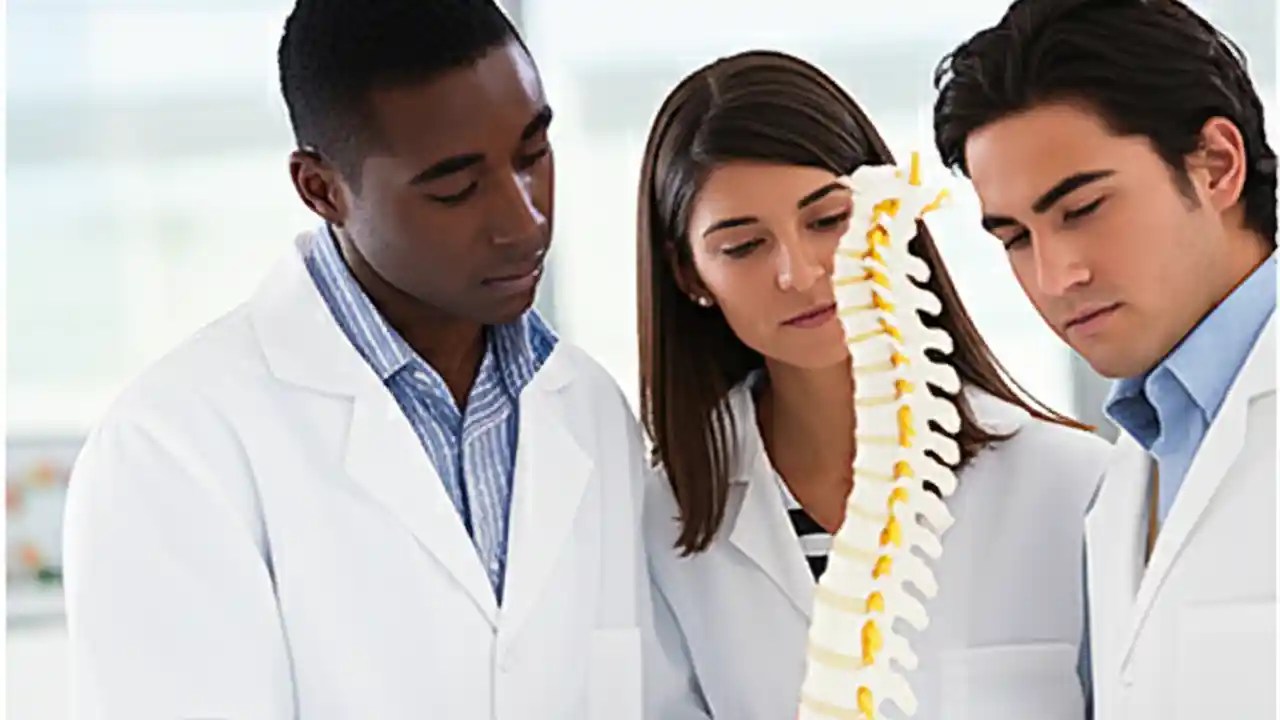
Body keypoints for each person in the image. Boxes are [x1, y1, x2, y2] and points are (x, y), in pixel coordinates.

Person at [62, 1, 705, 718]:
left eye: (532, 156)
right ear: (322, 189)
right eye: (456, 188)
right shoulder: (172, 448)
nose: (524, 220)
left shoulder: (587, 407)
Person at [636, 49, 1111, 720]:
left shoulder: (1073, 483)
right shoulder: (658, 520)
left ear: (889, 215)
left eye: (827, 221)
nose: (800, 273)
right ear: (690, 276)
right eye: (743, 247)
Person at [932, 0, 1277, 717]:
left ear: (1216, 165)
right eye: (1015, 238)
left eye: (1083, 209)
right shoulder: (1135, 465)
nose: (1055, 277)